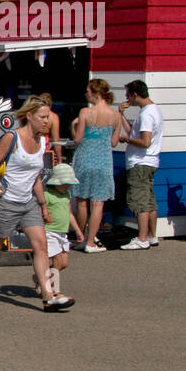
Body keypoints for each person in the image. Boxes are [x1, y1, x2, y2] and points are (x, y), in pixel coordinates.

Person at [0, 97, 74, 312]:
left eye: (48, 117)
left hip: (28, 203)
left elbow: (35, 177)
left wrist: (43, 204)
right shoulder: (12, 137)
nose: (47, 121)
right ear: (29, 116)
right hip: (6, 202)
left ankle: (48, 296)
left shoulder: (43, 141)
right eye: (43, 117)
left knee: (41, 246)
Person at [70, 79, 118, 253]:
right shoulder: (115, 115)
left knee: (82, 201)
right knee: (98, 204)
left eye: (88, 91)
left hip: (84, 159)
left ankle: (80, 238)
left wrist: (73, 126)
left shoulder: (85, 112)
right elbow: (114, 142)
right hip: (103, 161)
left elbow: (77, 139)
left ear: (96, 93)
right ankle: (91, 242)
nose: (86, 94)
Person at [115, 80, 164, 250]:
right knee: (149, 199)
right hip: (150, 162)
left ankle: (141, 238)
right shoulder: (153, 110)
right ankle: (151, 236)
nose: (127, 98)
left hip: (140, 162)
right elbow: (133, 132)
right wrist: (120, 115)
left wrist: (125, 139)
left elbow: (145, 141)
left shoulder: (146, 115)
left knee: (139, 201)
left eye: (128, 95)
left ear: (135, 95)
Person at [39, 164, 83, 298]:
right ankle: (54, 292)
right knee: (57, 261)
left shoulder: (67, 194)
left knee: (64, 263)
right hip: (50, 231)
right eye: (63, 183)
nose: (66, 186)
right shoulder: (47, 194)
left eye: (68, 183)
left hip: (63, 233)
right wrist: (44, 214)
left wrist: (78, 230)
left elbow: (69, 213)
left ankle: (40, 276)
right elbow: (39, 211)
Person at [38, 93, 64, 164]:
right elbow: (56, 141)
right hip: (44, 147)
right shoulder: (53, 117)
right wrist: (59, 160)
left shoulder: (33, 114)